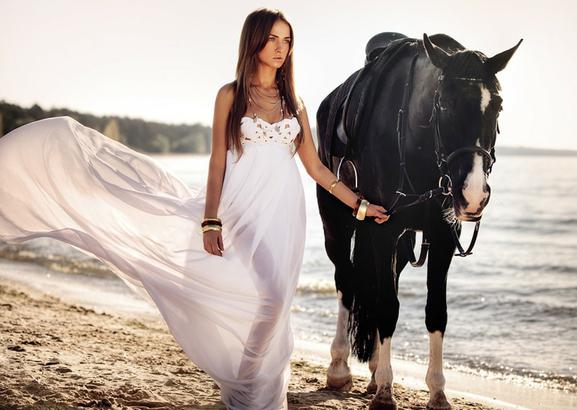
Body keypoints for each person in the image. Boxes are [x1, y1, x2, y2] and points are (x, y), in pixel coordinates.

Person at [0, 7, 389, 410]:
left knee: (276, 302)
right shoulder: (230, 95)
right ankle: (245, 382)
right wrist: (209, 220)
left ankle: (248, 385)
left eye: (286, 40)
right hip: (240, 206)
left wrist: (359, 206)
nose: (280, 48)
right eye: (272, 39)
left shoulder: (295, 101)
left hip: (285, 213)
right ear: (254, 41)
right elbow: (217, 161)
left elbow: (316, 169)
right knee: (271, 299)